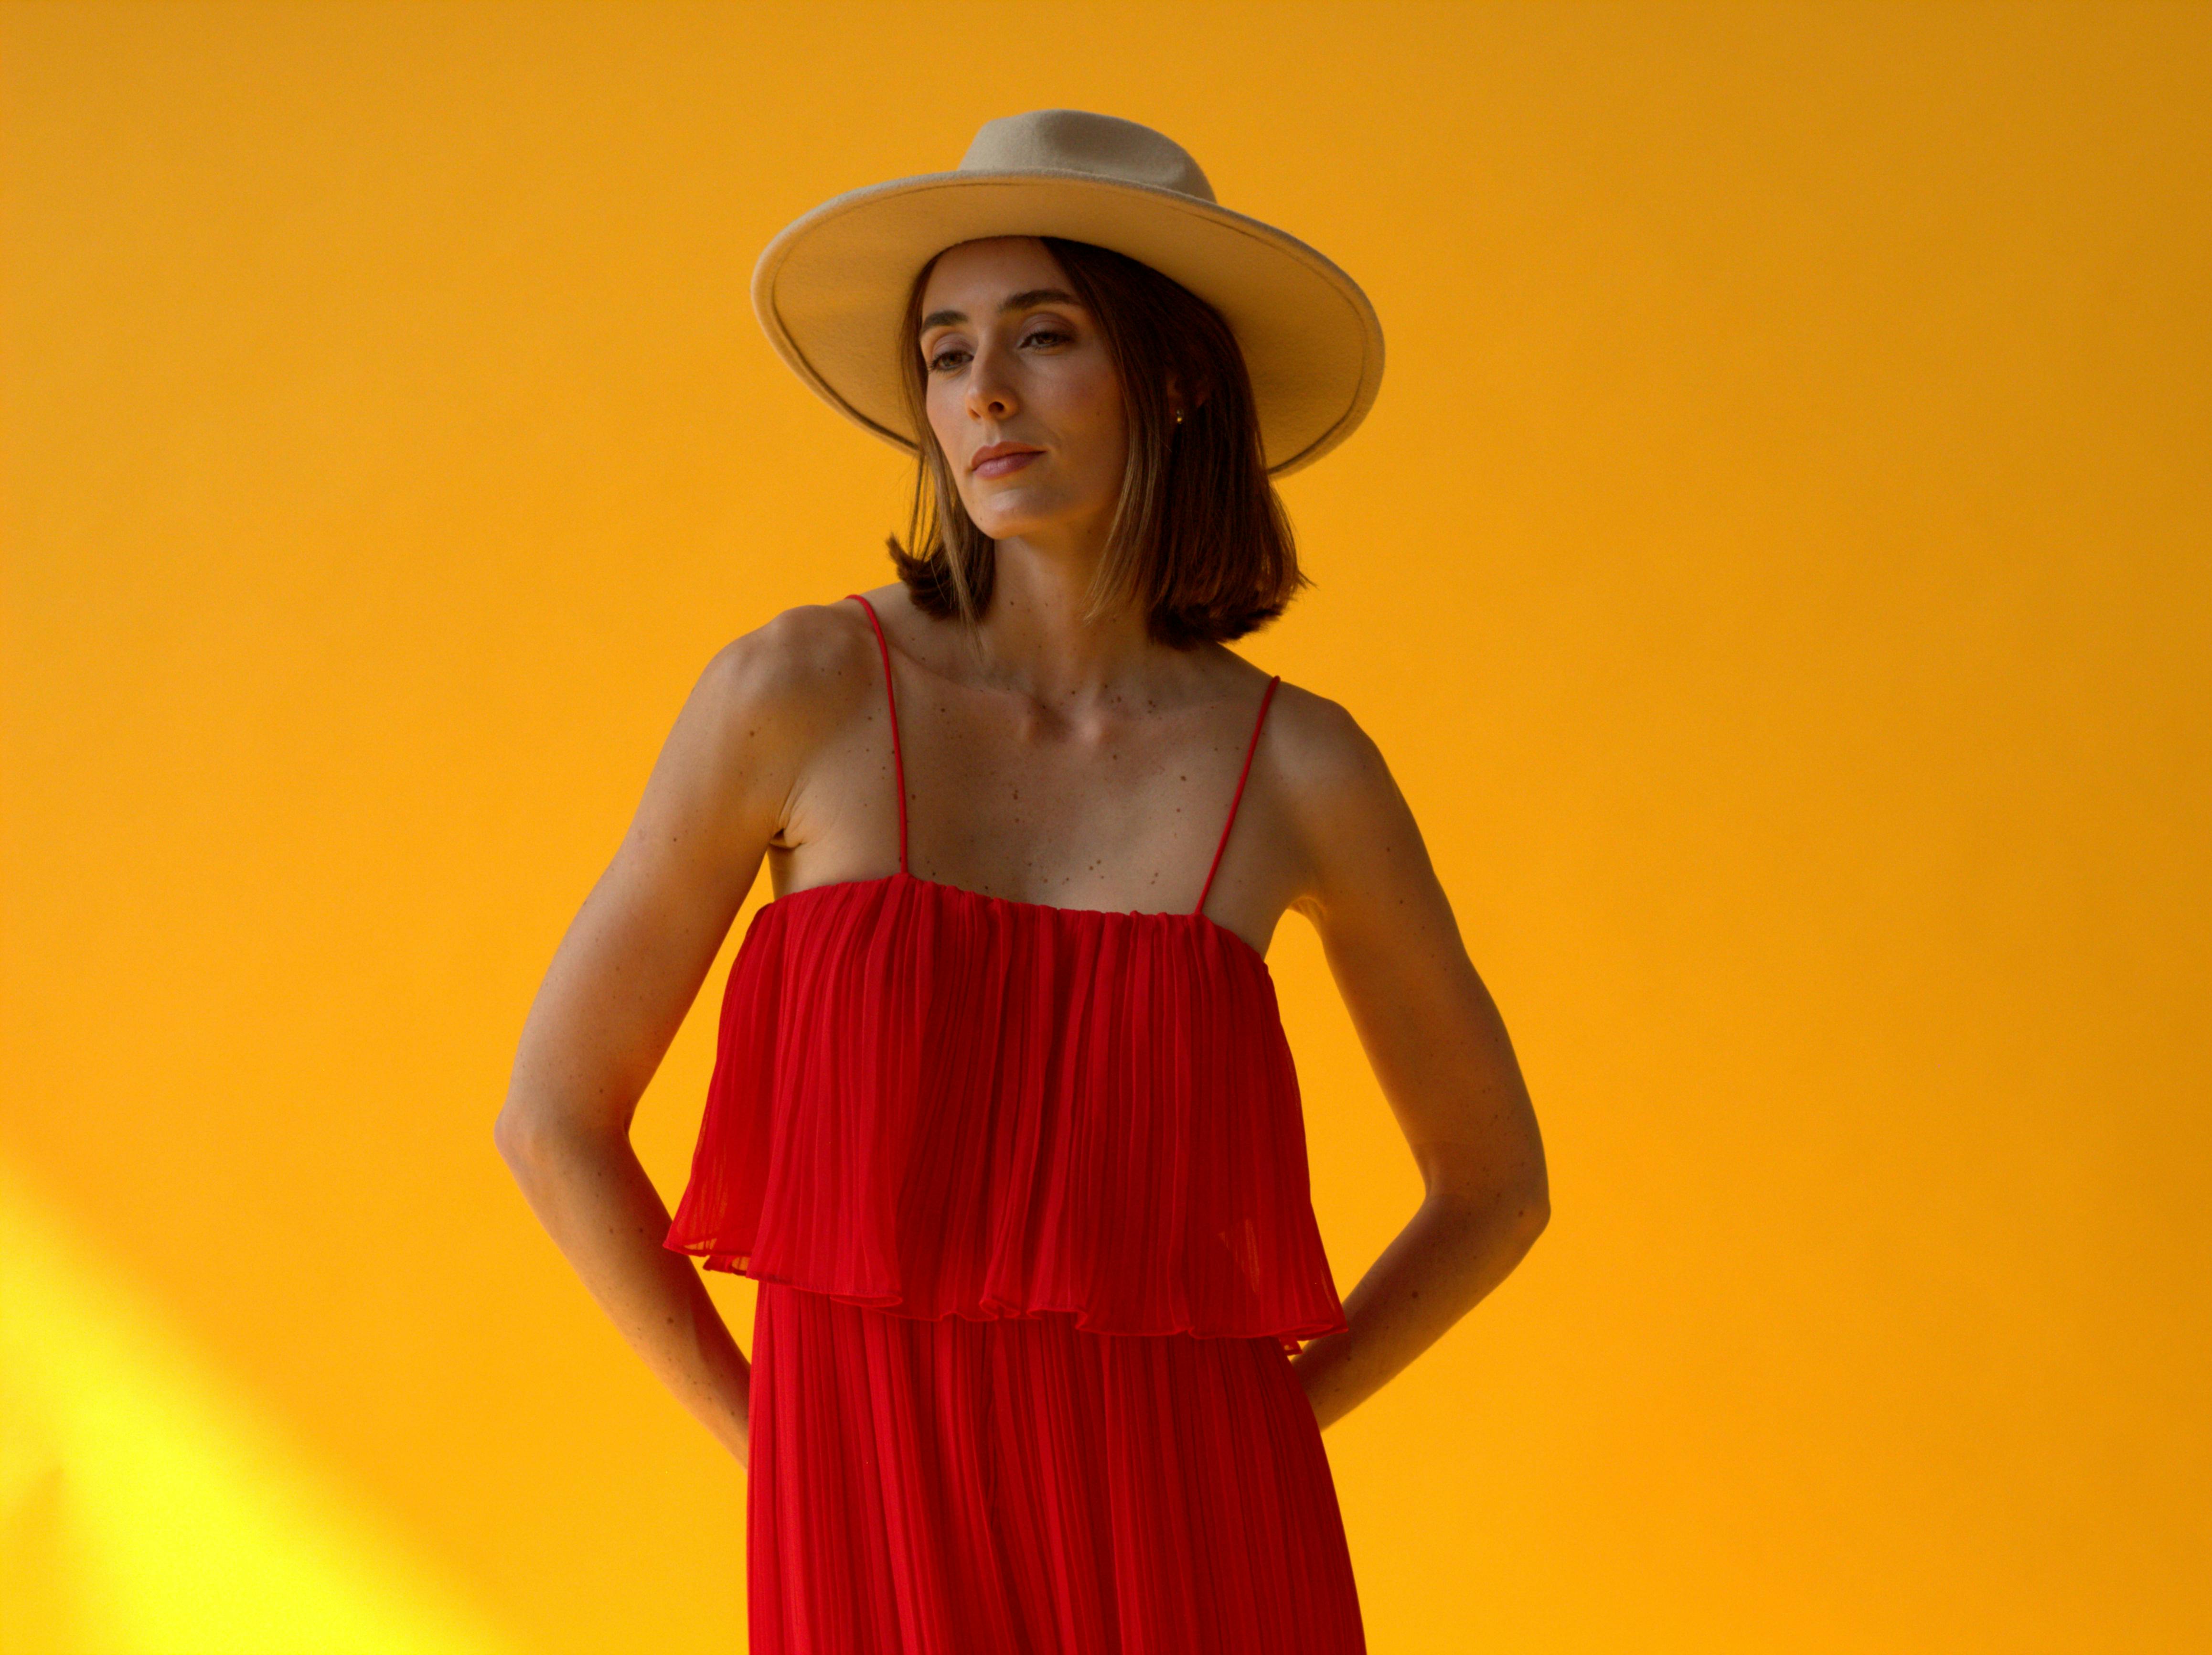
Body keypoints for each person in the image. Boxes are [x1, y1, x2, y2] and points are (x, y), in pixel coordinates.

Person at [497, 109, 1549, 1654]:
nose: (980, 391)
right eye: (942, 351)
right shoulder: (798, 691)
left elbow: (1494, 1189)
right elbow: (552, 1120)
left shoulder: (1302, 769)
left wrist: (1262, 1440)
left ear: (1176, 375)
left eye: (1042, 336)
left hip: (1207, 1553)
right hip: (866, 1536)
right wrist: (774, 1443)